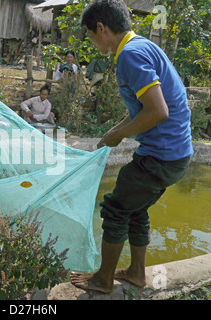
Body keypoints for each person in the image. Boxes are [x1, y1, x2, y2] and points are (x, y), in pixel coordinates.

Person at [70, 0, 193, 293]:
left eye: (90, 34)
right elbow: (144, 105)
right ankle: (137, 272)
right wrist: (117, 129)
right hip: (173, 153)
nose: (91, 41)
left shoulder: (130, 55)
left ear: (101, 28)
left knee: (114, 207)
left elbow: (158, 111)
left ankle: (103, 279)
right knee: (135, 208)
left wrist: (120, 135)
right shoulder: (142, 46)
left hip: (161, 155)